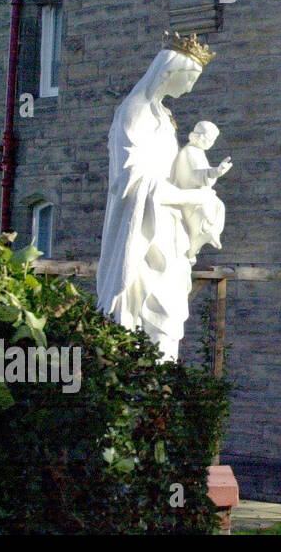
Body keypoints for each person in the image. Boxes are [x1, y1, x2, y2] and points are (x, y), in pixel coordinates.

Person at [96, 33, 217, 362]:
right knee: (149, 315)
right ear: (169, 72)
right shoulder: (136, 113)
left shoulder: (164, 116)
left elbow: (170, 172)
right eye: (189, 78)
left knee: (170, 317)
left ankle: (159, 400)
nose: (190, 88)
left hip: (169, 231)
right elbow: (132, 181)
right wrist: (190, 198)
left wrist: (202, 186)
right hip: (141, 233)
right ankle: (142, 400)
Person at [172, 121, 232, 260]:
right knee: (204, 209)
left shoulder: (198, 152)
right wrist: (215, 172)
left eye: (213, 140)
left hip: (199, 190)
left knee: (219, 206)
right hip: (188, 191)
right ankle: (198, 238)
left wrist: (215, 172)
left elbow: (203, 174)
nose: (210, 143)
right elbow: (194, 174)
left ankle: (208, 235)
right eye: (209, 139)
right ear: (199, 136)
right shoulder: (189, 151)